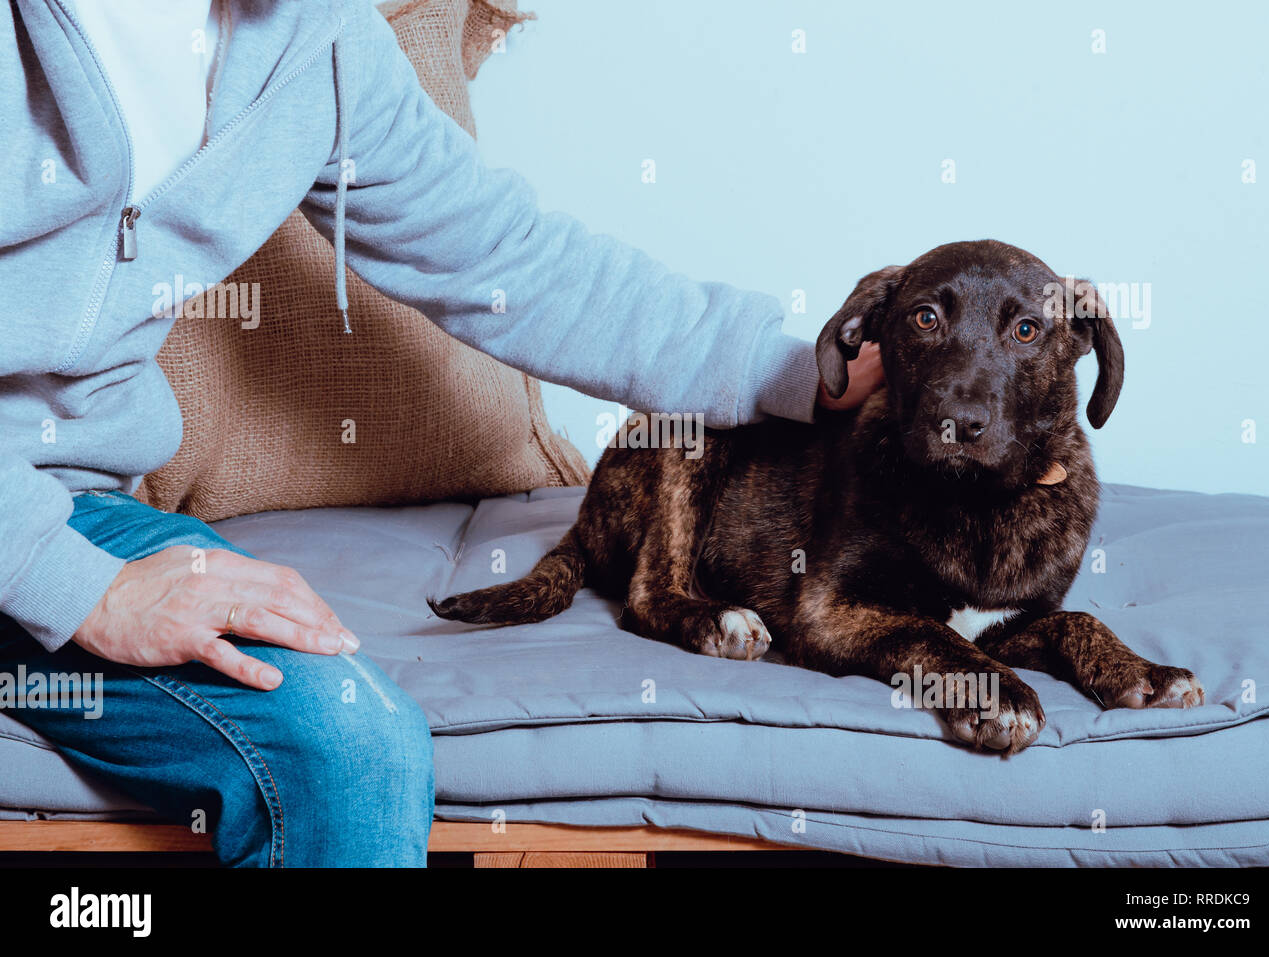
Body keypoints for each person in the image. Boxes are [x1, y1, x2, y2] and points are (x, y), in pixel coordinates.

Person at [0, 0, 883, 866]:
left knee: (349, 745)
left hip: (70, 507)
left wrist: (803, 377)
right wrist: (86, 591)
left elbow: (516, 260)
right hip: (38, 539)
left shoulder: (313, 40)